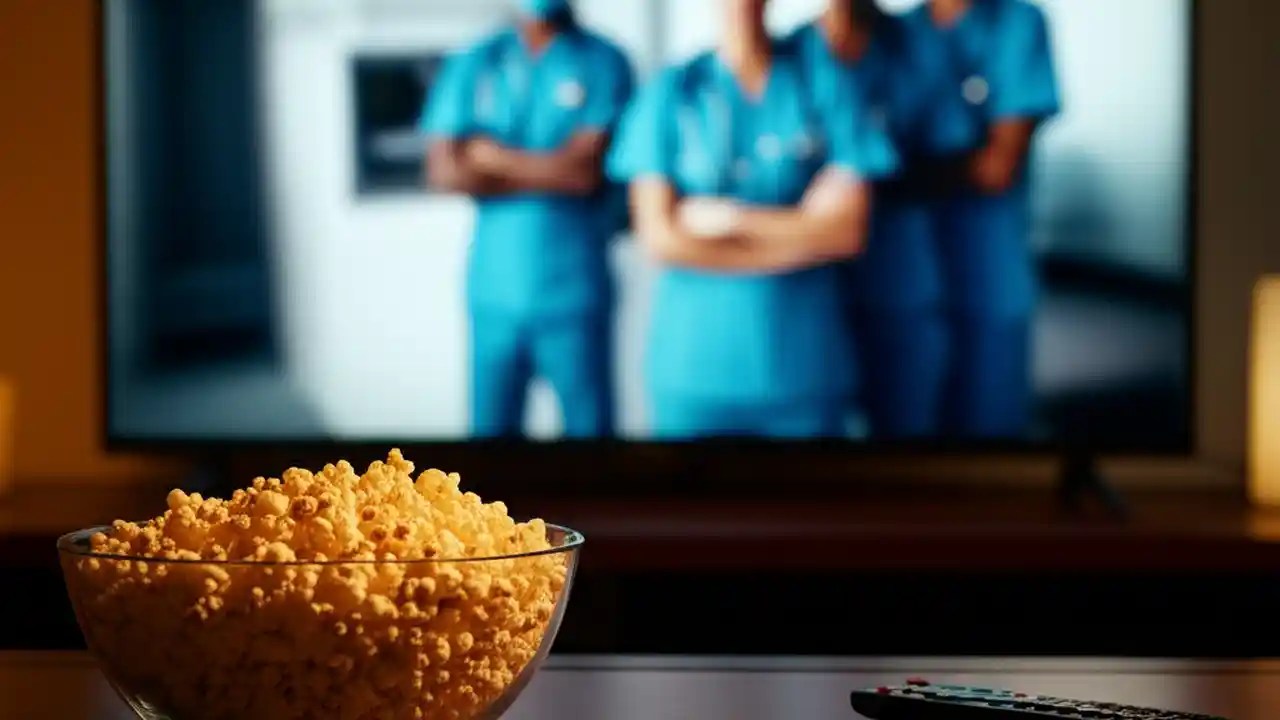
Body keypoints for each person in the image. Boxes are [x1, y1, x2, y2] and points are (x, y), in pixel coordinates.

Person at [607, 0, 883, 439]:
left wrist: (728, 219)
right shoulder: (672, 91)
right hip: (694, 370)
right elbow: (660, 239)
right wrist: (804, 229)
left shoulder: (823, 83)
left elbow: (847, 232)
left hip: (803, 367)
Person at [421, 0, 634, 438]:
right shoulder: (477, 59)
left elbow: (583, 174)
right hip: (493, 290)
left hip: (574, 289)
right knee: (489, 448)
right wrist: (550, 166)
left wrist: (489, 155)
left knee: (590, 438)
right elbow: (444, 171)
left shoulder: (603, 61)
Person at [786, 0, 947, 438]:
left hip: (898, 275)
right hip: (810, 290)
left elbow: (951, 155)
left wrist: (858, 175)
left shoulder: (915, 45)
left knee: (905, 439)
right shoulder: (795, 52)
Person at [904, 0, 1061, 438]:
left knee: (988, 446)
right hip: (903, 285)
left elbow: (997, 167)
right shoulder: (901, 32)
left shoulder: (1017, 23)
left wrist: (891, 172)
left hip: (989, 275)